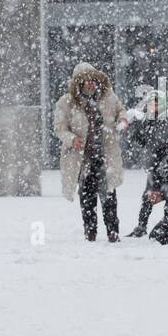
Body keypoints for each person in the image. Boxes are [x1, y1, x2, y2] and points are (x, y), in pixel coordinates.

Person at [53, 62, 126, 242]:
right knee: (87, 196)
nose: (90, 84)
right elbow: (59, 128)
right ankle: (90, 232)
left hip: (105, 155)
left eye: (93, 80)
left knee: (109, 194)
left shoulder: (108, 97)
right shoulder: (66, 102)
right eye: (85, 81)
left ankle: (113, 232)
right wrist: (72, 139)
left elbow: (120, 111)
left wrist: (122, 119)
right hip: (82, 159)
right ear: (78, 84)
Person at [124, 90, 168, 237]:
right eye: (151, 102)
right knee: (148, 197)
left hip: (167, 165)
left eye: (157, 102)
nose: (153, 105)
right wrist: (135, 127)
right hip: (154, 166)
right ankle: (141, 227)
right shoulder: (148, 120)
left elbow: (161, 142)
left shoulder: (167, 120)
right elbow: (141, 141)